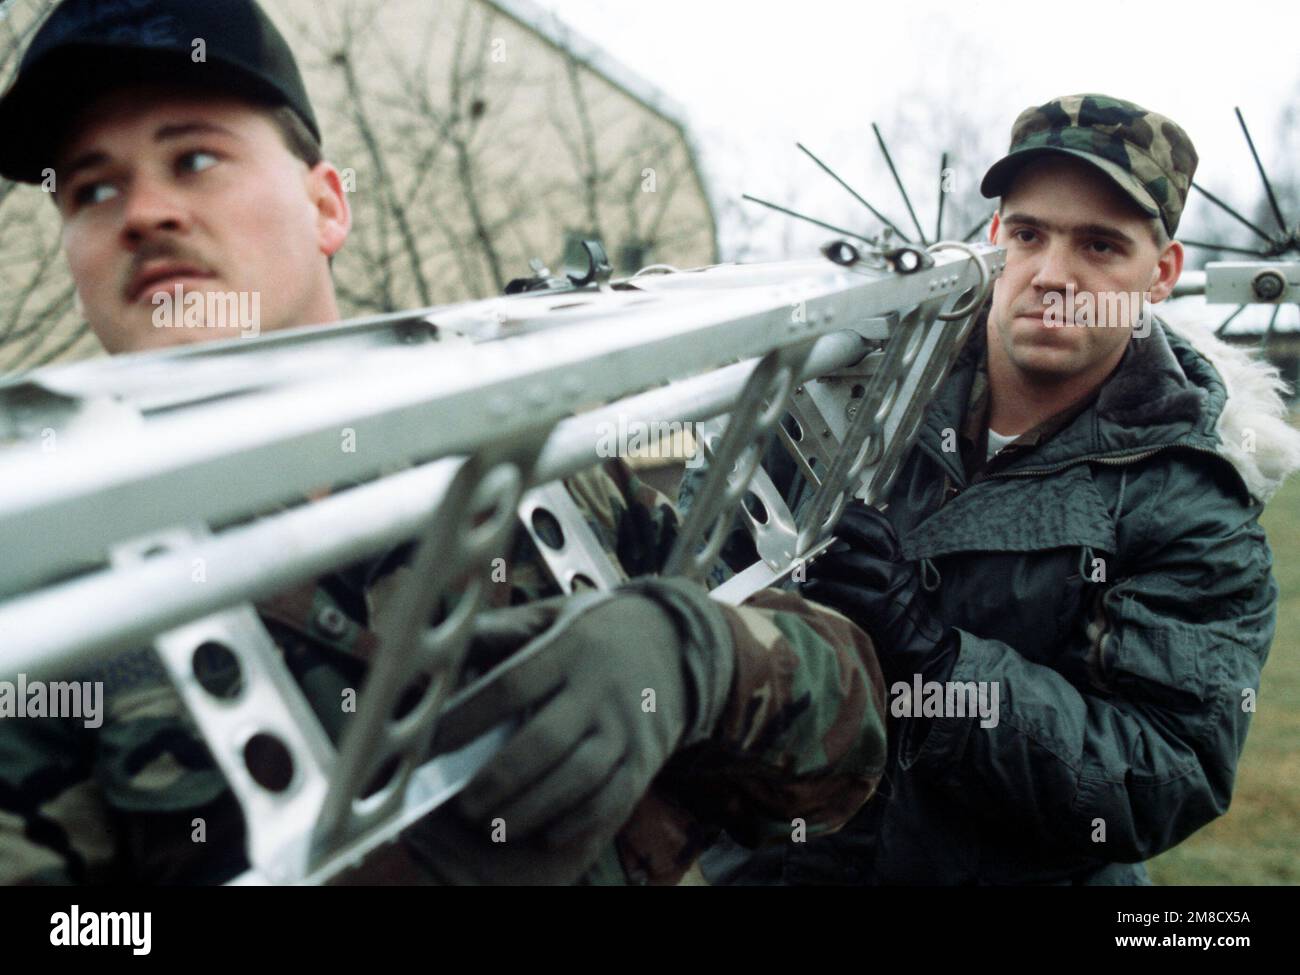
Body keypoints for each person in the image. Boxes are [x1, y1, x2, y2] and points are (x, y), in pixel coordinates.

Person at [0, 0, 888, 885]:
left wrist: (699, 656)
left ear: (326, 206)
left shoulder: (537, 464)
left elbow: (843, 763)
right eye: (92, 188)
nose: (143, 212)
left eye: (194, 158)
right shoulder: (44, 622)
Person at [706, 94, 1300, 885]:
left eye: (1099, 246)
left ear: (1160, 274)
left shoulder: (1192, 499)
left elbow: (1165, 772)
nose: (1053, 275)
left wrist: (939, 663)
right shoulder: (848, 397)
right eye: (1029, 235)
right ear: (995, 240)